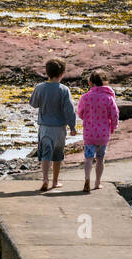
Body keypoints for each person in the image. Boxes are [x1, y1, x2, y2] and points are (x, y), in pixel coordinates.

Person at [29, 58, 77, 192]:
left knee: (45, 154)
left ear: (47, 72)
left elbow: (33, 103)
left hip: (45, 127)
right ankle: (55, 182)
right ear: (62, 73)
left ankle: (45, 179)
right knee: (57, 155)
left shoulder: (40, 87)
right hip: (60, 129)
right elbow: (69, 110)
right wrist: (72, 126)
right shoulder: (64, 89)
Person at [75, 70, 119, 192]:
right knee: (100, 158)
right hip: (103, 133)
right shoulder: (109, 97)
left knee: (88, 158)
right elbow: (115, 114)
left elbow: (80, 112)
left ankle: (87, 179)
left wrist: (87, 118)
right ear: (104, 82)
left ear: (90, 83)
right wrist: (113, 127)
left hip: (89, 132)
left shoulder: (85, 97)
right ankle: (97, 182)